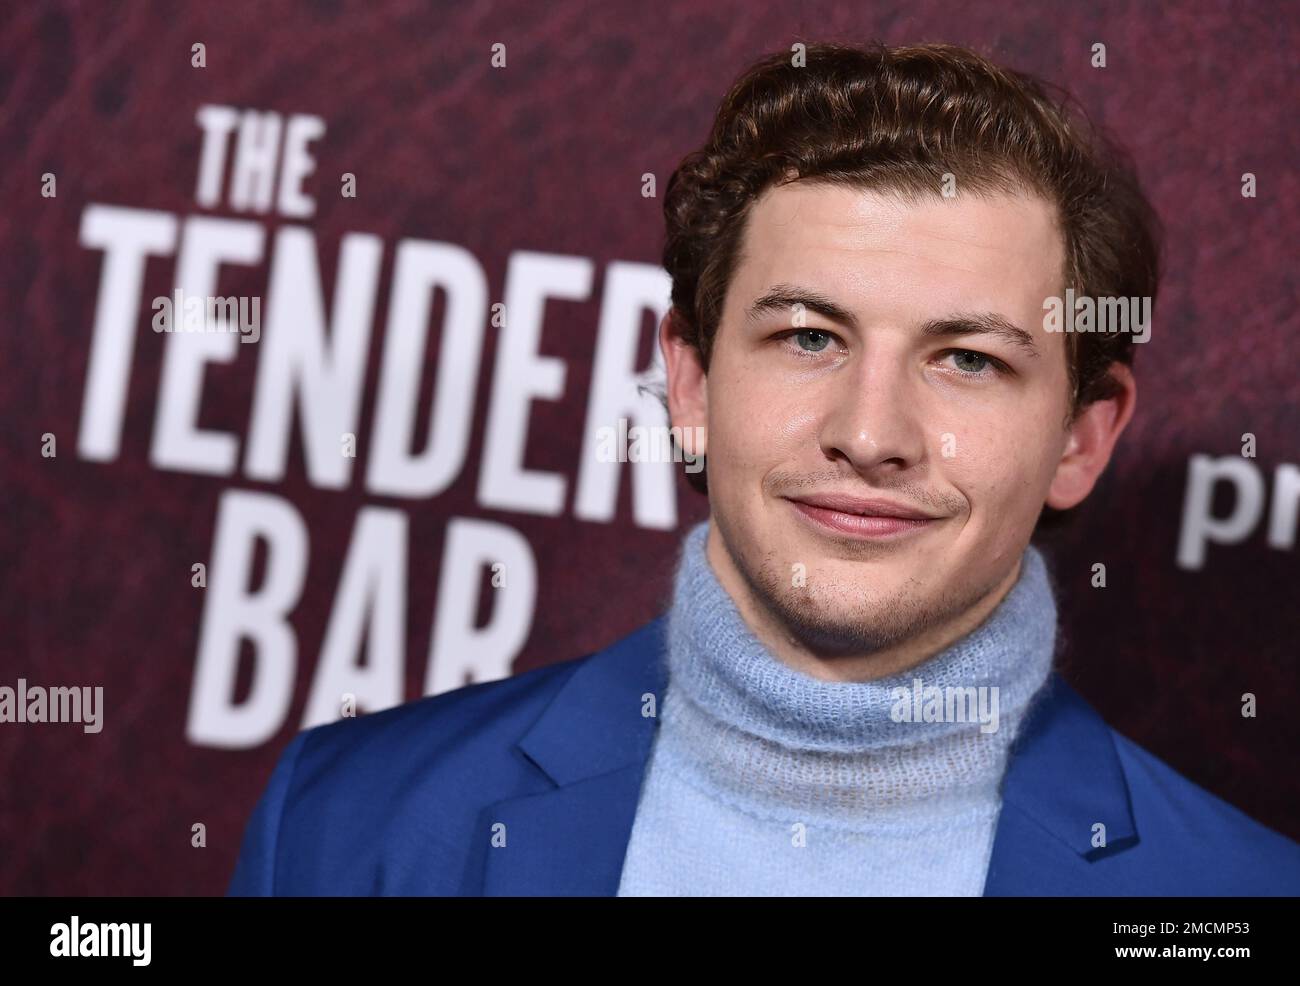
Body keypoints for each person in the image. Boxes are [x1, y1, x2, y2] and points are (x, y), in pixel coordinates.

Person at [228, 41, 1300, 896]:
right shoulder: (346, 821)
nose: (870, 432)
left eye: (966, 359)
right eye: (806, 337)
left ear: (1082, 435)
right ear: (689, 386)